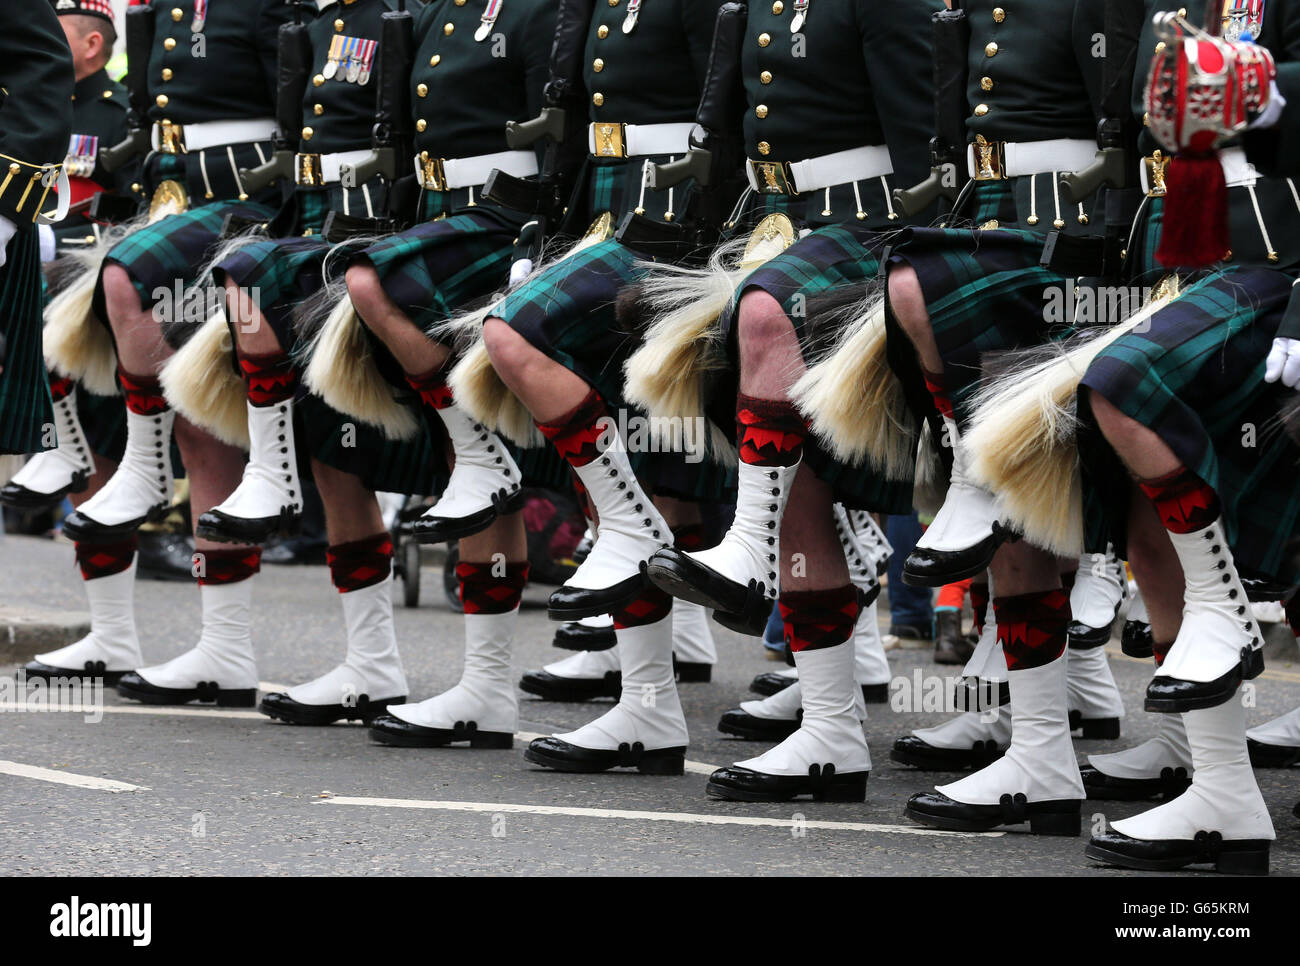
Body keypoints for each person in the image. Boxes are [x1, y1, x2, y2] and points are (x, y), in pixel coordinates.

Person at [626, 0, 941, 800]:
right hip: (778, 222)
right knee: (798, 481)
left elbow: (926, 152)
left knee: (765, 312)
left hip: (870, 224)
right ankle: (832, 737)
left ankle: (748, 546)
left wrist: (929, 266)